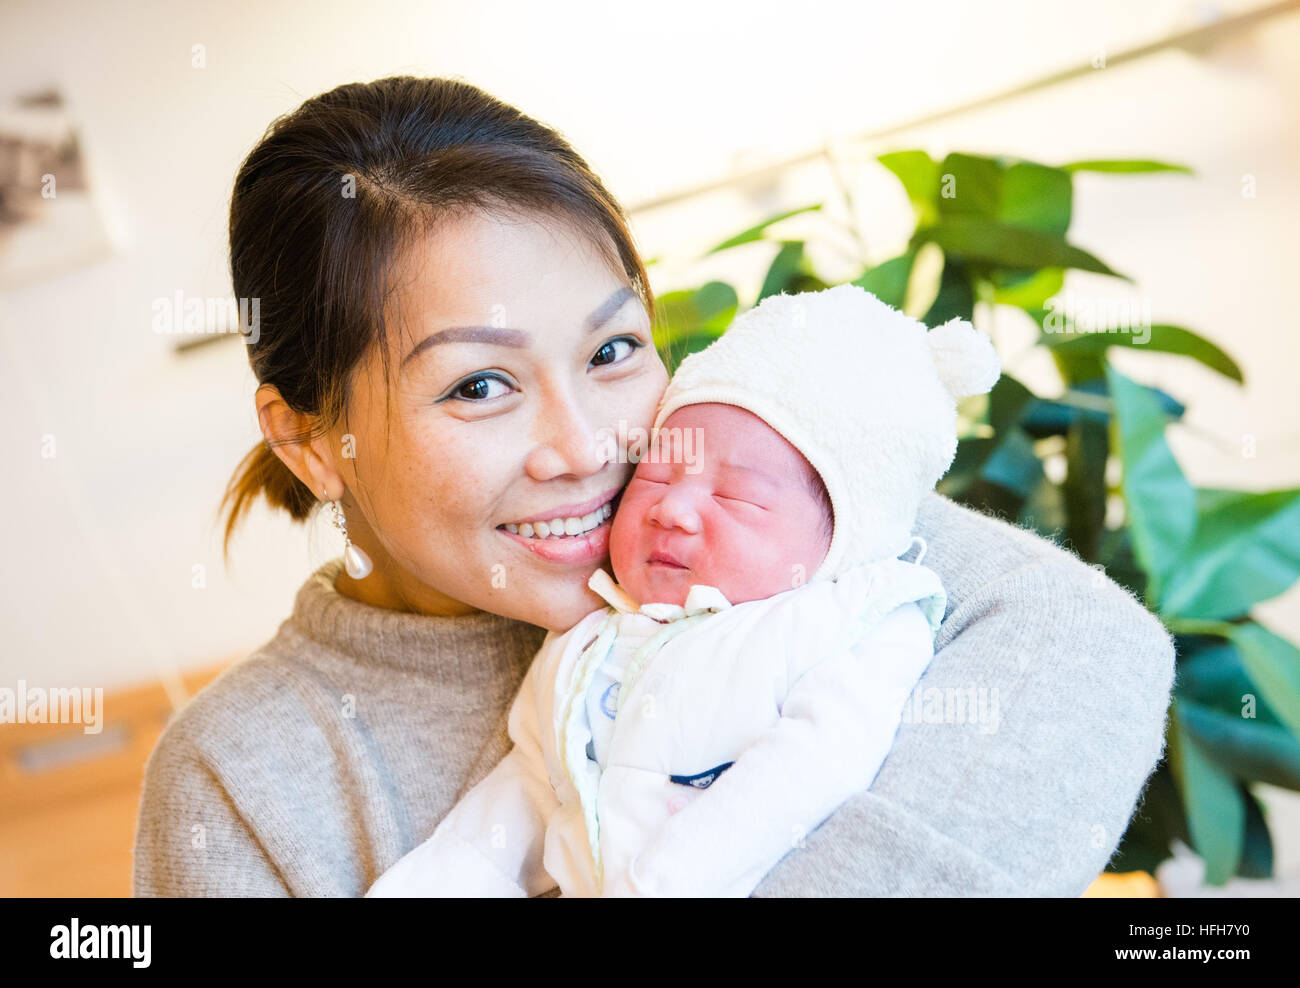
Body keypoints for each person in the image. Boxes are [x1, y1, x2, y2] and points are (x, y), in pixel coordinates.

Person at [132, 75, 1176, 897]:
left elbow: (1095, 646)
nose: (587, 447)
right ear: (311, 439)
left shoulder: (735, 515)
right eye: (480, 383)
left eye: (612, 348)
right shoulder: (241, 785)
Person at [365, 285, 1001, 897]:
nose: (675, 510)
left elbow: (814, 767)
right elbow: (524, 800)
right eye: (657, 474)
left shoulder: (846, 622)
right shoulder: (585, 647)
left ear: (843, 540)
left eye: (737, 497)